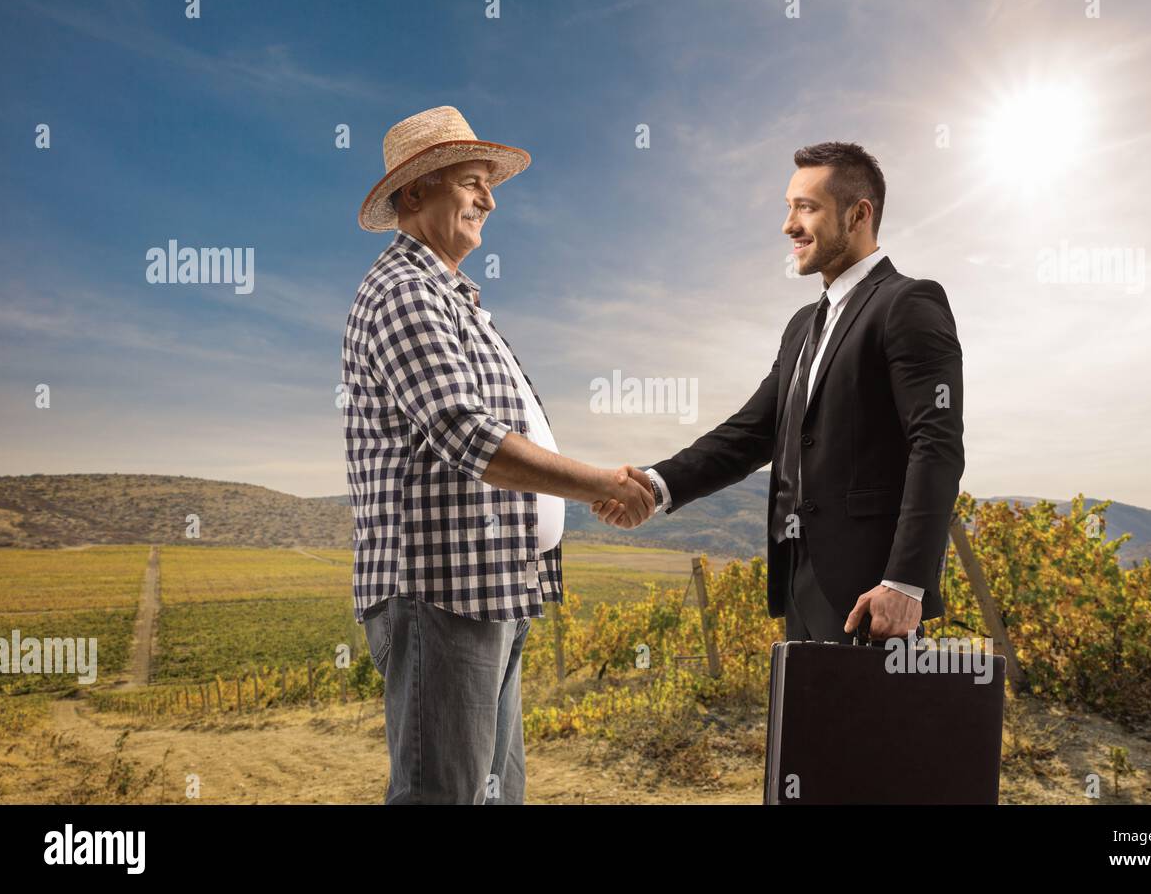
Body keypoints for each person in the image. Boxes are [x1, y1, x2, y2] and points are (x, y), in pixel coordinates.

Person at [344, 106, 652, 804]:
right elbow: (465, 432)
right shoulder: (405, 292)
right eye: (473, 181)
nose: (490, 199)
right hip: (440, 592)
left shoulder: (452, 297)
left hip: (486, 587)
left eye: (490, 184)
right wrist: (598, 481)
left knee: (492, 793)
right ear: (415, 193)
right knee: (443, 794)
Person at [594, 142, 964, 644]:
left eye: (806, 207)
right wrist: (657, 485)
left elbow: (936, 446)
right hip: (799, 582)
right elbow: (751, 434)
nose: (789, 225)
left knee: (869, 726)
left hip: (873, 599)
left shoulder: (909, 303)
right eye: (788, 208)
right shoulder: (801, 327)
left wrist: (905, 584)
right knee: (803, 725)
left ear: (859, 214)